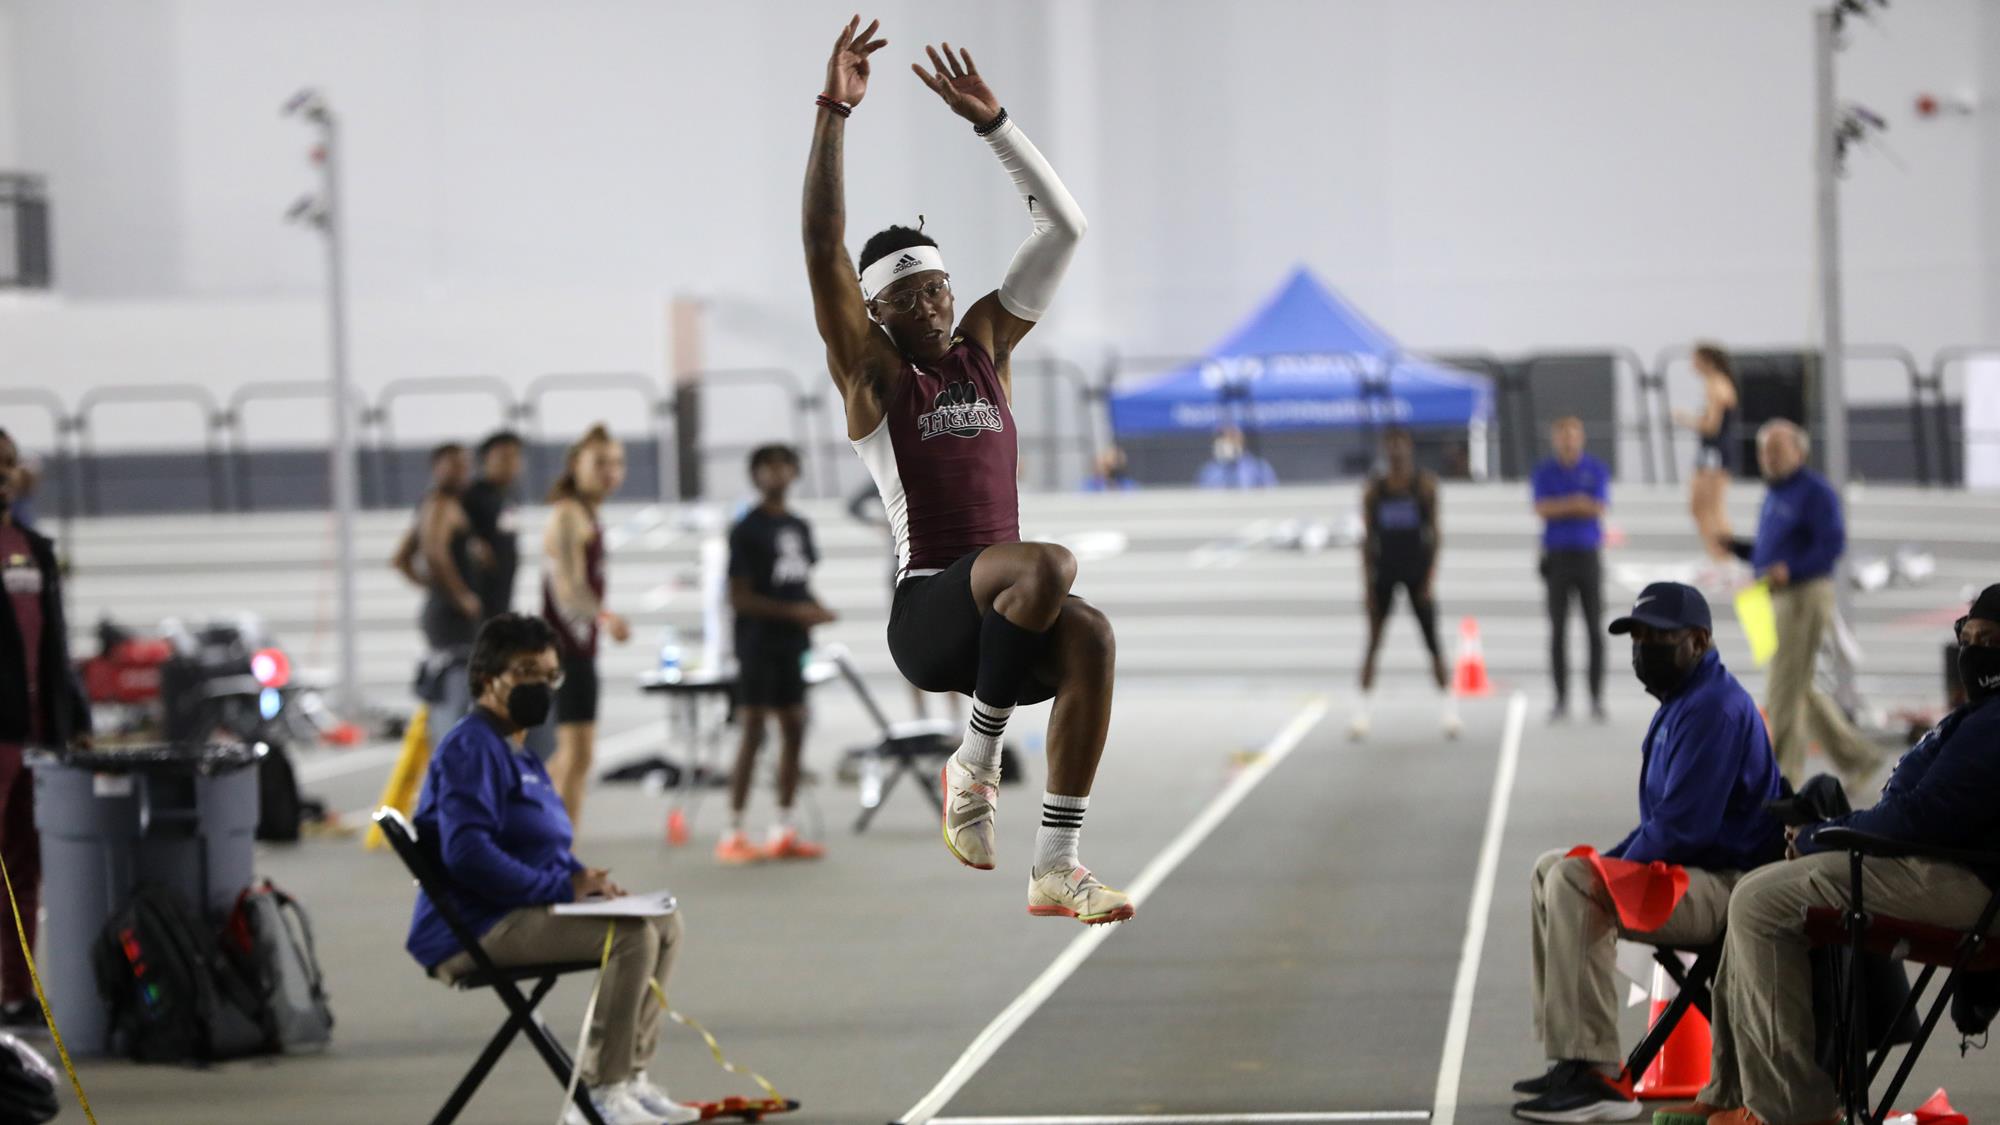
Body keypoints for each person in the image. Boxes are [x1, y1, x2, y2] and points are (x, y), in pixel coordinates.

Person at [803, 18, 1130, 923]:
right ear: (875, 314)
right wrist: (834, 110)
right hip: (931, 614)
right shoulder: (873, 373)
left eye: (938, 286)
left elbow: (1065, 226)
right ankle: (974, 763)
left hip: (1002, 626)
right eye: (907, 297)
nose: (933, 304)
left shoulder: (986, 341)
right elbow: (822, 241)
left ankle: (1056, 864)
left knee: (1093, 637)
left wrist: (997, 126)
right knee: (1047, 562)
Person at [1654, 585, 2000, 1125]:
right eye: (1968, 636)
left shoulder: (1993, 724)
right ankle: (1730, 1092)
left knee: (1763, 902)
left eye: (1989, 640)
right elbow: (1912, 812)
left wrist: (1825, 833)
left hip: (1974, 889)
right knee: (1756, 887)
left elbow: (1916, 819)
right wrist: (1833, 832)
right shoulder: (1977, 716)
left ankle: (1792, 1110)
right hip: (1942, 867)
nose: (1973, 650)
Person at [405, 614, 695, 1125]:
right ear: (485, 680)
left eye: (549, 674)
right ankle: (599, 1097)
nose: (541, 686)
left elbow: (546, 848)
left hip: (515, 907)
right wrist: (560, 886)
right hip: (473, 925)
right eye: (525, 672)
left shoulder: (519, 752)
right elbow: (467, 854)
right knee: (630, 938)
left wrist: (589, 882)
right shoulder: (471, 747)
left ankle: (628, 1076)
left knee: (664, 923)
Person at [1514, 582, 1783, 1124]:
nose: (1643, 648)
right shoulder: (1684, 701)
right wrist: (1605, 860)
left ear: (1700, 640)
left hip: (1732, 886)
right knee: (1552, 868)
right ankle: (1571, 1058)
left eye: (1659, 636)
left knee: (1575, 879)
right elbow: (1665, 829)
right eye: (1637, 636)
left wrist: (1604, 866)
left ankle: (1597, 1075)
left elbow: (1682, 829)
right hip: (1692, 871)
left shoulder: (1713, 710)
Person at [1728, 420, 1880, 789]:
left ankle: (1782, 781)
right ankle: (1858, 757)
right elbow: (1774, 547)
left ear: (1799, 451)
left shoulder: (1814, 492)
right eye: (1764, 450)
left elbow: (1832, 545)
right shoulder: (1775, 493)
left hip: (1803, 595)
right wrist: (1740, 551)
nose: (1769, 457)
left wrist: (1790, 569)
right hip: (1772, 595)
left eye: (1777, 450)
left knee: (1783, 689)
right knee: (1799, 688)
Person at [0, 428, 90, 1031]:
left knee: (25, 866)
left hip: (34, 732)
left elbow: (54, 647)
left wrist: (73, 720)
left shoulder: (34, 546)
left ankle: (18, 992)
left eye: (9, 463)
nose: (6, 472)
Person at [718, 445, 836, 865]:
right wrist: (796, 612)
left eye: (785, 464)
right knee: (752, 730)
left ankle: (783, 827)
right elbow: (739, 597)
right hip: (756, 643)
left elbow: (798, 583)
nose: (778, 473)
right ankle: (733, 830)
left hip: (792, 645)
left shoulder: (800, 527)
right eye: (768, 466)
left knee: (795, 728)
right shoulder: (746, 529)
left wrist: (816, 609)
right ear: (755, 475)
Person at [538, 424, 632, 827]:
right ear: (576, 464)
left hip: (577, 647)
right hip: (563, 649)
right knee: (576, 756)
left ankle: (546, 844)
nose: (610, 472)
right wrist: (606, 618)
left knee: (572, 757)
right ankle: (559, 854)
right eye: (600, 463)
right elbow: (568, 587)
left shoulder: (587, 513)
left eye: (617, 463)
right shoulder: (568, 514)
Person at [1351, 427, 1458, 741]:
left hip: (1417, 572)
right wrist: (1368, 586)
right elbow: (1367, 539)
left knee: (1432, 642)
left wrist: (1429, 579)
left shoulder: (1424, 485)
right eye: (1391, 446)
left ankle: (1449, 712)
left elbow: (1435, 534)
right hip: (1385, 571)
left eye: (1401, 445)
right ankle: (1361, 713)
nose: (1396, 451)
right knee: (1372, 643)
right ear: (1385, 450)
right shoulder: (1375, 489)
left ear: (1409, 448)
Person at [1531, 417, 1611, 723]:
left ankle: (1595, 697)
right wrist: (1577, 503)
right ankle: (1561, 698)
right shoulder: (1545, 471)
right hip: (1558, 557)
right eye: (1562, 436)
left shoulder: (1595, 469)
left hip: (1587, 555)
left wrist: (1562, 506)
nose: (1568, 441)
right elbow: (1541, 508)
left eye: (1573, 435)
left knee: (1594, 629)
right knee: (1558, 631)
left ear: (1581, 438)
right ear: (1555, 440)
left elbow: (1599, 507)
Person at [415, 443, 487, 738]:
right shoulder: (440, 504)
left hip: (444, 610)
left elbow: (401, 558)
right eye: (453, 464)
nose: (462, 471)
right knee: (456, 702)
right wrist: (459, 595)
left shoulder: (444, 506)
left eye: (465, 464)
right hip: (451, 618)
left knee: (461, 697)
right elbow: (434, 552)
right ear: (437, 467)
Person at [1676, 343, 1741, 569]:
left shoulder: (1717, 386)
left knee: (1713, 507)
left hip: (1716, 452)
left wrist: (1687, 419)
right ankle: (1715, 555)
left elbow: (1712, 427)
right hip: (1709, 452)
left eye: (1695, 360)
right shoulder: (1712, 385)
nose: (1692, 365)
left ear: (1707, 361)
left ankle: (1726, 558)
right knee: (1697, 506)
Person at [461, 430, 525, 622]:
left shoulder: (508, 495)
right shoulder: (471, 495)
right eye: (504, 457)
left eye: (515, 456)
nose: (511, 463)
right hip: (476, 601)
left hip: (501, 597)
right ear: (485, 460)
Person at [1195, 425, 1278, 489]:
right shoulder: (1209, 472)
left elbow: (1272, 496)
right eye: (1223, 438)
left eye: (1232, 437)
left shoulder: (1259, 468)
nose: (1227, 442)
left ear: (1241, 440)